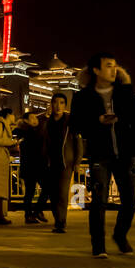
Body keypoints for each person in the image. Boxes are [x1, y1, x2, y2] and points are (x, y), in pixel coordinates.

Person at [70, 52, 135, 257]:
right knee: (98, 200)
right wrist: (97, 121)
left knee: (131, 199)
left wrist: (132, 140)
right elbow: (75, 124)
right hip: (100, 154)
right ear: (96, 70)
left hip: (126, 154)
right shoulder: (83, 96)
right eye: (108, 65)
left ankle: (120, 235)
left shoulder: (125, 93)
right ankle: (98, 245)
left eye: (115, 65)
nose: (114, 69)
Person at [43, 93, 82, 233]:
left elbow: (78, 142)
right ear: (51, 104)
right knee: (53, 194)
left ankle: (61, 222)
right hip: (50, 162)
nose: (58, 106)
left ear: (65, 105)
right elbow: (45, 143)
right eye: (55, 102)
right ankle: (57, 219)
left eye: (61, 103)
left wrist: (77, 161)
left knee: (62, 193)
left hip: (66, 162)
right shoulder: (47, 122)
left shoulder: (70, 121)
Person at [15, 111, 47, 223]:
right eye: (32, 118)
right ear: (26, 121)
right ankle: (32, 213)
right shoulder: (27, 132)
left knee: (40, 189)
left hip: (36, 165)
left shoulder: (29, 132)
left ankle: (34, 212)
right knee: (32, 191)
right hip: (32, 166)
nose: (36, 120)